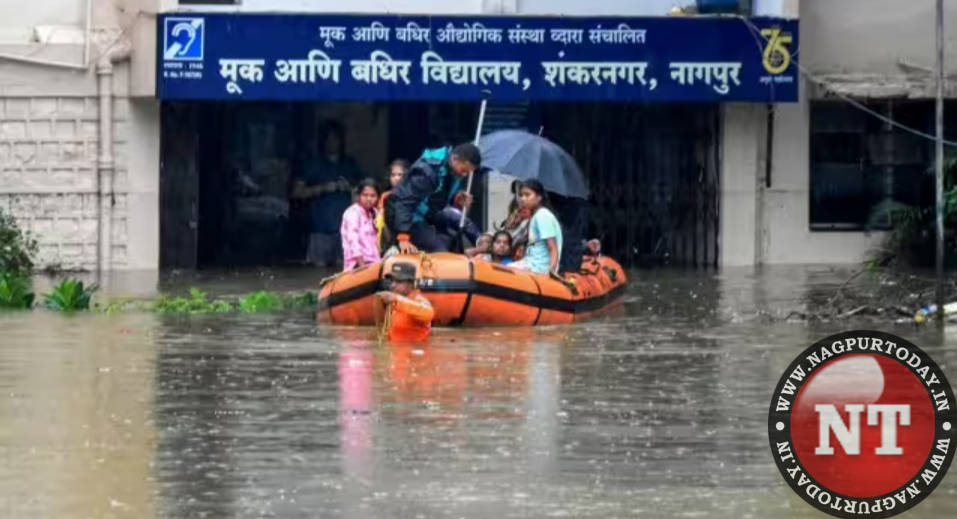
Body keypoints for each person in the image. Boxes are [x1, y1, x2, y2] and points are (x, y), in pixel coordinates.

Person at [385, 143, 482, 254]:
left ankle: (481, 239)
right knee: (440, 248)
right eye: (464, 170)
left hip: (428, 212)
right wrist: (403, 238)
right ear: (455, 159)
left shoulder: (453, 170)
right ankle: (395, 249)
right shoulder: (427, 171)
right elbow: (404, 202)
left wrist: (456, 198)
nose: (465, 175)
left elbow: (438, 196)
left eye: (468, 172)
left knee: (457, 224)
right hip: (408, 216)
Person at [292, 121, 363, 268]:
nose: (333, 143)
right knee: (317, 273)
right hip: (320, 230)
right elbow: (296, 192)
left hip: (346, 232)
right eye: (329, 139)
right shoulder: (313, 164)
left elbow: (365, 192)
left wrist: (349, 189)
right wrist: (324, 188)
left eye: (336, 138)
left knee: (345, 271)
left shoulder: (349, 164)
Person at [508, 179, 563, 274]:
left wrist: (551, 272)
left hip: (538, 268)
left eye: (527, 195)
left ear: (539, 197)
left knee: (505, 271)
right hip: (530, 263)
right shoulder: (535, 216)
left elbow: (553, 248)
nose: (523, 199)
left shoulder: (542, 216)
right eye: (521, 195)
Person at [376, 262, 434, 342]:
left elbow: (429, 313)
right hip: (395, 350)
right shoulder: (394, 304)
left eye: (398, 281)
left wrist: (396, 299)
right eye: (392, 281)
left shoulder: (419, 301)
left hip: (413, 352)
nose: (392, 285)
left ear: (410, 284)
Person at [341, 179, 381, 271]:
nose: (369, 199)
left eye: (373, 196)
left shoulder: (374, 212)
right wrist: (362, 265)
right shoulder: (352, 213)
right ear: (358, 196)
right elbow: (353, 241)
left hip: (374, 261)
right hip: (356, 264)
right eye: (365, 195)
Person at [376, 159, 409, 255]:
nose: (396, 178)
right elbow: (380, 220)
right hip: (391, 240)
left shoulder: (412, 195)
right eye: (393, 175)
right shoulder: (385, 196)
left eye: (400, 175)